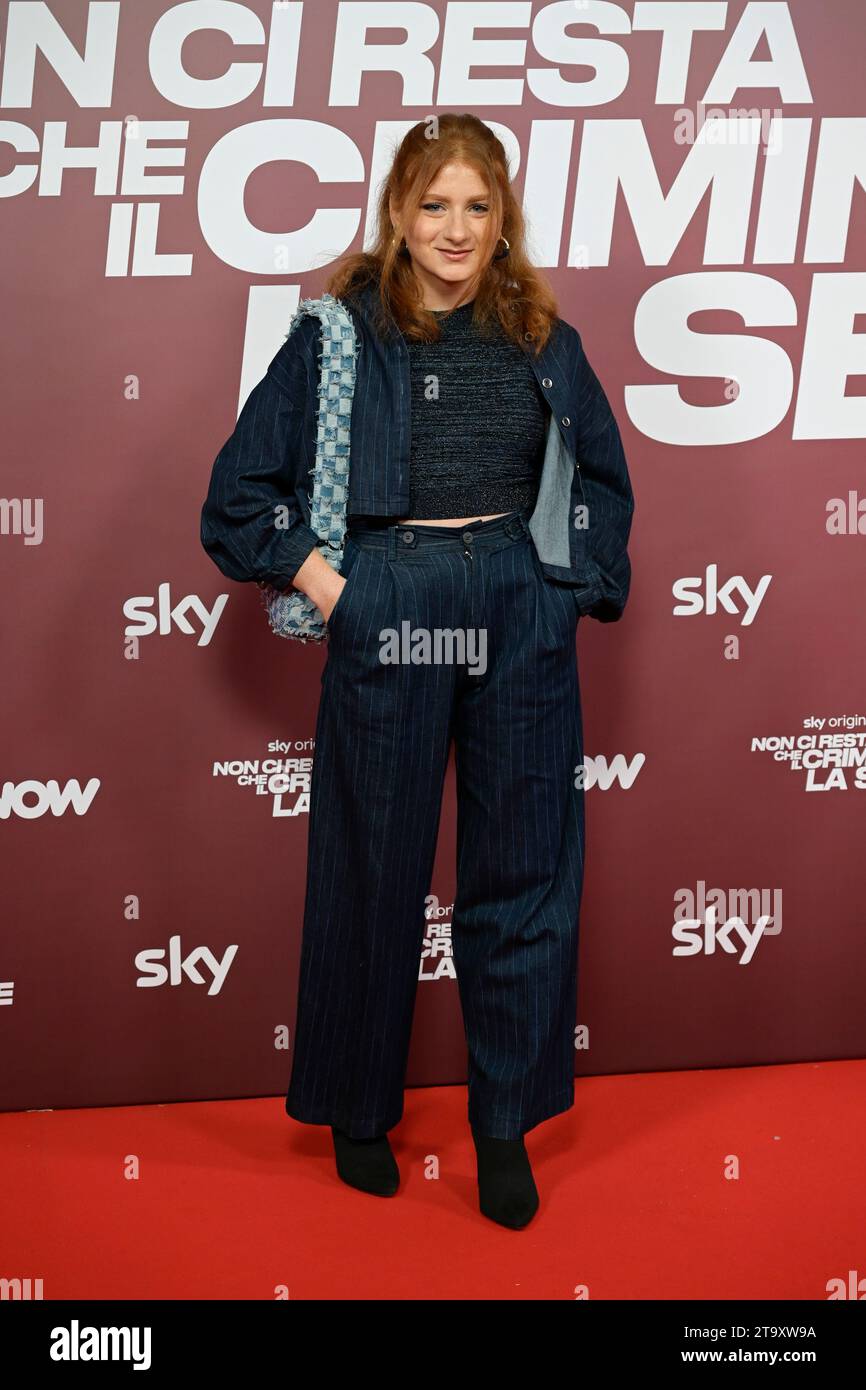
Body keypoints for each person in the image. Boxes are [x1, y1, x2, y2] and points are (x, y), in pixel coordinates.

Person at [201, 113, 635, 1229]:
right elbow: (238, 498)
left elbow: (598, 480)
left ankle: (503, 1125)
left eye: (476, 208)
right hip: (390, 593)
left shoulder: (545, 339)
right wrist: (346, 594)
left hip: (513, 594)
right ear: (398, 214)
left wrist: (563, 587)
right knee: (372, 862)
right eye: (433, 204)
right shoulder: (336, 334)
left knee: (525, 867)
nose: (454, 228)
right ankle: (357, 1106)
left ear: (502, 224)